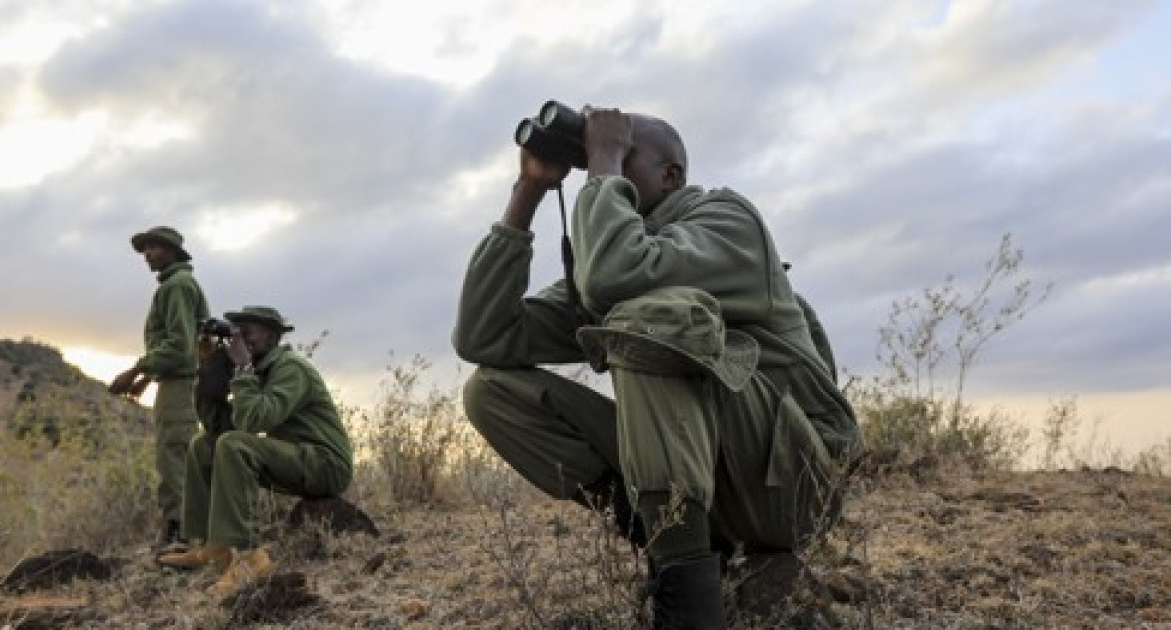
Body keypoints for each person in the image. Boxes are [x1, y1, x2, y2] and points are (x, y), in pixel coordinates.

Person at [453, 106, 862, 628]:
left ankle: (688, 616)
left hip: (791, 486)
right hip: (710, 485)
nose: (603, 168)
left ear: (670, 175)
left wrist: (602, 157)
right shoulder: (616, 259)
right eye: (599, 157)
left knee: (652, 320)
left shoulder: (727, 222)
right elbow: (485, 336)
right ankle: (676, 542)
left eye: (624, 156)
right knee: (490, 391)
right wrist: (528, 190)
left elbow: (617, 275)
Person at [156, 306, 353, 597]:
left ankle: (250, 557)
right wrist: (210, 372)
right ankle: (215, 546)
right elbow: (222, 429)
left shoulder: (291, 368)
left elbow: (255, 421)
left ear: (272, 336)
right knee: (203, 446)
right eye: (236, 331)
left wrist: (243, 370)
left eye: (248, 331)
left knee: (233, 445)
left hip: (326, 464)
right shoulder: (258, 369)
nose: (240, 338)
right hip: (296, 458)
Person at [109, 226, 210, 553]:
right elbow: (179, 344)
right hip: (176, 382)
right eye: (145, 250)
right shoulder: (176, 285)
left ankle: (180, 535)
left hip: (181, 385)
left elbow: (180, 346)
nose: (148, 255)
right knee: (177, 453)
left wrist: (134, 370)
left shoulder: (176, 286)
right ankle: (180, 531)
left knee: (174, 456)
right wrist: (146, 379)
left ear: (172, 251)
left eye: (154, 248)